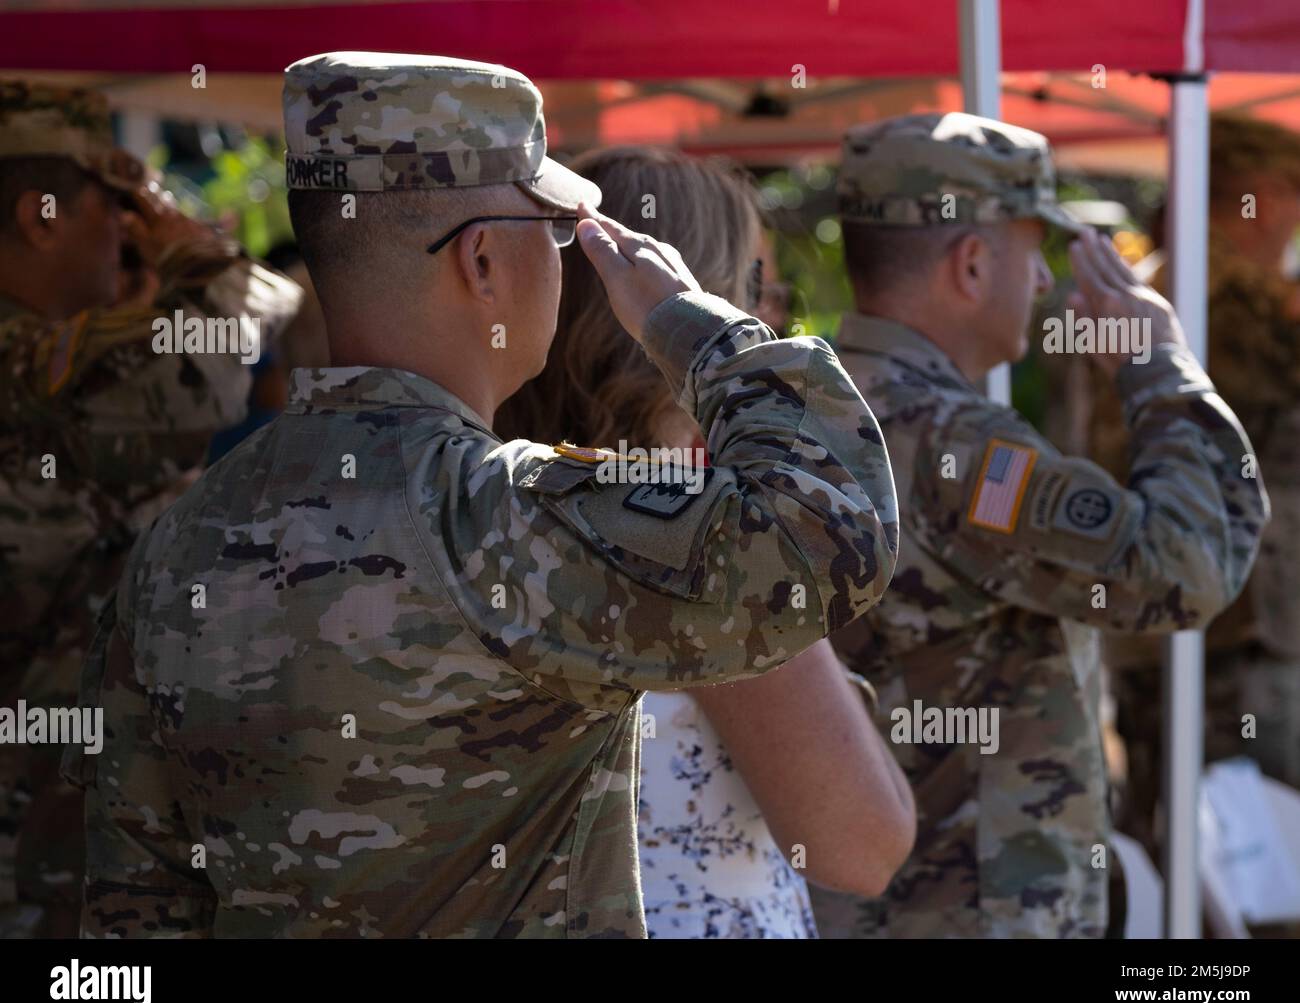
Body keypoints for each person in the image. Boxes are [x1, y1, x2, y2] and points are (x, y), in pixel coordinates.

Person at [65, 51, 900, 939]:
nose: (566, 258)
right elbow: (830, 526)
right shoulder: (507, 517)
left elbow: (135, 921)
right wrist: (691, 321)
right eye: (550, 226)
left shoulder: (174, 547)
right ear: (485, 261)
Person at [809, 112, 1267, 939]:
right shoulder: (957, 444)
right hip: (977, 909)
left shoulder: (805, 411)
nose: (1048, 284)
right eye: (1034, 254)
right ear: (973, 263)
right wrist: (1157, 368)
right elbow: (1185, 569)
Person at [496, 145, 915, 938]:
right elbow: (865, 842)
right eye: (751, 294)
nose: (776, 310)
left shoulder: (487, 495)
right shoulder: (691, 535)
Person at [0, 80, 302, 938]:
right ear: (42, 215)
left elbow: (268, 311)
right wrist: (185, 243)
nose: (128, 230)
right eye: (119, 204)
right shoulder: (35, 369)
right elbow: (227, 336)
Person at [1089, 117, 1300, 863]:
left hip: (1170, 616)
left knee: (1183, 852)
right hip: (1241, 624)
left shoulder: (1148, 291)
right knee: (1256, 866)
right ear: (1262, 197)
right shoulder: (1229, 301)